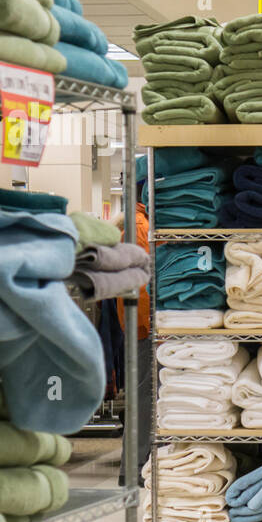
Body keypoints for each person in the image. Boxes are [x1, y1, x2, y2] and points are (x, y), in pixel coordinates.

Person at [116, 182, 152, 486]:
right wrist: (150, 327)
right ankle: (135, 467)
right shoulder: (139, 226)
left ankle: (136, 464)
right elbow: (139, 287)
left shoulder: (138, 224)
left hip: (139, 326)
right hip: (143, 328)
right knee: (143, 397)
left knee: (143, 396)